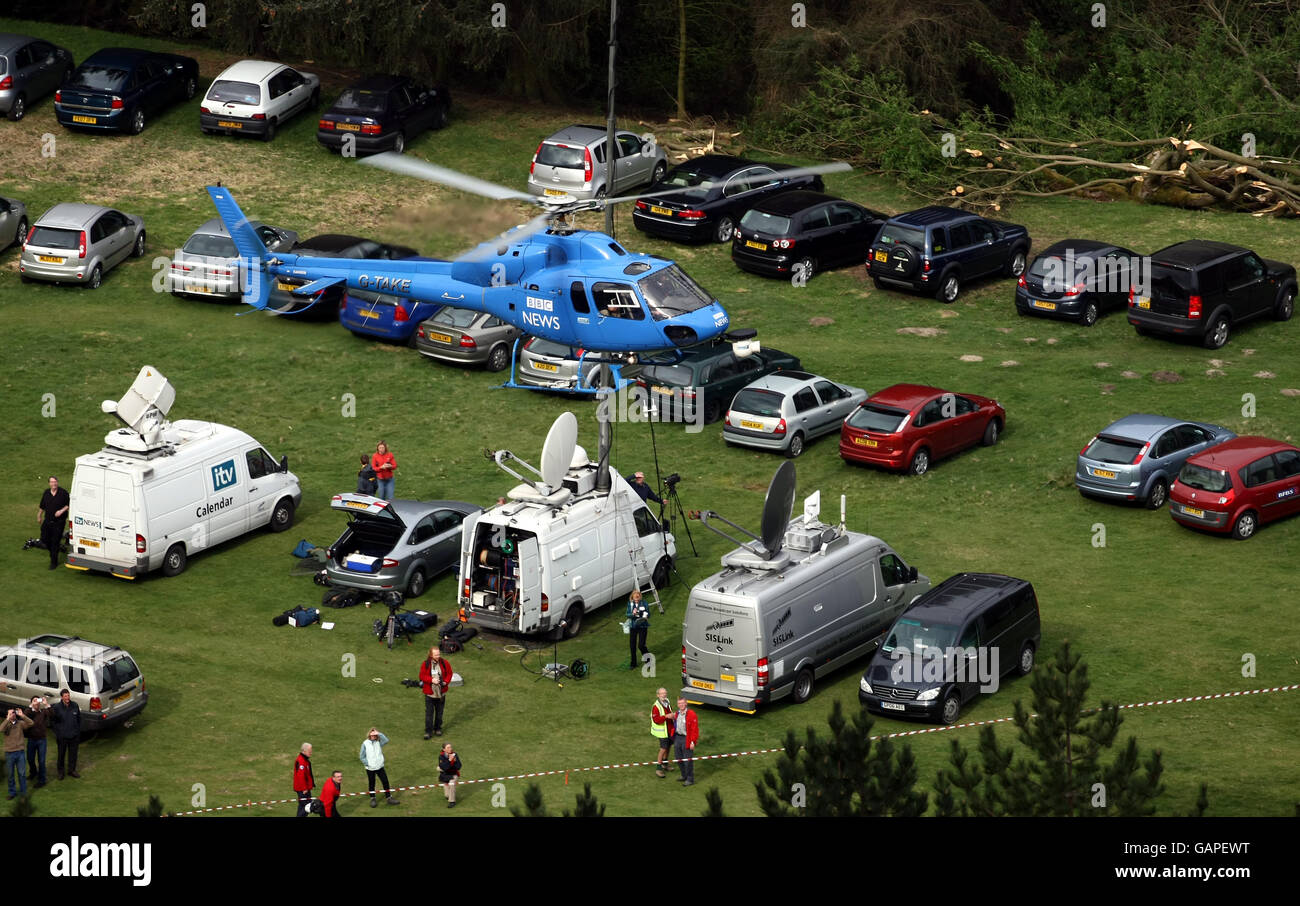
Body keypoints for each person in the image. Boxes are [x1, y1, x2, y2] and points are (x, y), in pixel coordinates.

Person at [359, 727, 399, 808]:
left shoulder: (378, 742)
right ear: (369, 734)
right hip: (370, 768)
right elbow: (362, 756)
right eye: (372, 734)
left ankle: (389, 797)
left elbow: (386, 740)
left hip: (380, 767)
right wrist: (368, 764)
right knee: (372, 783)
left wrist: (379, 733)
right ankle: (373, 799)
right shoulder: (365, 743)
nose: (374, 736)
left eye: (375, 735)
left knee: (385, 782)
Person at [418, 646, 452, 739]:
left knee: (439, 713)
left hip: (441, 694)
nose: (438, 656)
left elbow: (449, 673)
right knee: (429, 714)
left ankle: (437, 729)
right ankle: (428, 732)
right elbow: (422, 676)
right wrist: (432, 680)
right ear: (431, 655)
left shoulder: (445, 663)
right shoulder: (426, 664)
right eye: (436, 655)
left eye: (439, 654)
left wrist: (445, 682)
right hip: (430, 694)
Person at [38, 476, 70, 570]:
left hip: (59, 523)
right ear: (49, 483)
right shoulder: (46, 493)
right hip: (47, 520)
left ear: (57, 482)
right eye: (52, 482)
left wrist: (61, 511)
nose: (54, 484)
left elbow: (68, 505)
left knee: (55, 542)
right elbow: (42, 506)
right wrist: (39, 515)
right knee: (44, 539)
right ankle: (53, 550)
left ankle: (53, 562)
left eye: (55, 482)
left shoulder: (63, 493)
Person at [49, 689, 80, 780]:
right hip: (62, 737)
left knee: (73, 755)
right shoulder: (57, 707)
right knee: (61, 755)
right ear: (62, 697)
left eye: (68, 695)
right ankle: (61, 772)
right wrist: (58, 733)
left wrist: (77, 731)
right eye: (65, 696)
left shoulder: (75, 705)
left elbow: (79, 719)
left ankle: (72, 770)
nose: (67, 698)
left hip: (74, 736)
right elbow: (52, 721)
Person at [3, 708, 33, 800]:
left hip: (20, 752)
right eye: (11, 713)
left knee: (22, 774)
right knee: (10, 775)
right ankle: (12, 793)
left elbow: (31, 723)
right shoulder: (6, 724)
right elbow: (1, 729)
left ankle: (23, 794)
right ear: (7, 715)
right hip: (9, 753)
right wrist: (7, 719)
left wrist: (22, 715)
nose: (13, 714)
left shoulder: (20, 723)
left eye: (14, 713)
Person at [670, 698, 699, 787]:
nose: (681, 705)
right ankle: (684, 775)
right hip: (678, 738)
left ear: (686, 704)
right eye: (679, 703)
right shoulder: (677, 713)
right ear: (677, 705)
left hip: (687, 739)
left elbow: (695, 729)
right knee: (678, 758)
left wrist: (693, 742)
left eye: (683, 703)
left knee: (687, 760)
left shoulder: (692, 714)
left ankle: (690, 779)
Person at [24, 696, 50, 789]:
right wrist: (31, 706)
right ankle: (33, 772)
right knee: (30, 759)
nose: (37, 702)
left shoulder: (43, 712)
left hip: (42, 740)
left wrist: (46, 704)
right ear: (31, 703)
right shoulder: (29, 712)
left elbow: (52, 714)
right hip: (31, 739)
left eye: (38, 701)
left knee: (41, 761)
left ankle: (42, 780)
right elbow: (24, 716)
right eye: (34, 701)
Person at [650, 687, 676, 778]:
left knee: (668, 747)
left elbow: (670, 712)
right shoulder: (656, 707)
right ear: (658, 695)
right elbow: (656, 720)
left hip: (670, 730)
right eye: (662, 693)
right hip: (662, 732)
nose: (664, 695)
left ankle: (665, 763)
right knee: (663, 749)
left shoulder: (667, 702)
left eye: (665, 693)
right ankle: (658, 768)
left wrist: (672, 716)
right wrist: (666, 716)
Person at [626, 589, 650, 669]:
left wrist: (645, 616)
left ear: (640, 596)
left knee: (641, 645)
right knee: (632, 646)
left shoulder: (644, 603)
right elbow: (627, 614)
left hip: (642, 626)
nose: (636, 597)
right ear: (632, 597)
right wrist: (633, 614)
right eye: (635, 596)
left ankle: (648, 661)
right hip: (633, 627)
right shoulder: (630, 604)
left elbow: (648, 614)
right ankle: (633, 664)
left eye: (638, 596)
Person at [293, 742, 315, 817]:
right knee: (308, 806)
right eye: (309, 751)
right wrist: (304, 788)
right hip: (302, 789)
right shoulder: (301, 761)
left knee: (302, 806)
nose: (311, 753)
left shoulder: (304, 760)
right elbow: (300, 776)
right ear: (304, 751)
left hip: (305, 788)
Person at [438, 742, 462, 808]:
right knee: (447, 795)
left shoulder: (455, 755)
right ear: (444, 749)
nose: (450, 749)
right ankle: (450, 796)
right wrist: (449, 760)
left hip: (454, 774)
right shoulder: (441, 756)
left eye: (450, 747)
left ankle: (452, 802)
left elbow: (459, 766)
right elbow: (443, 767)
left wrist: (454, 762)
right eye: (448, 747)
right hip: (445, 775)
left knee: (452, 784)